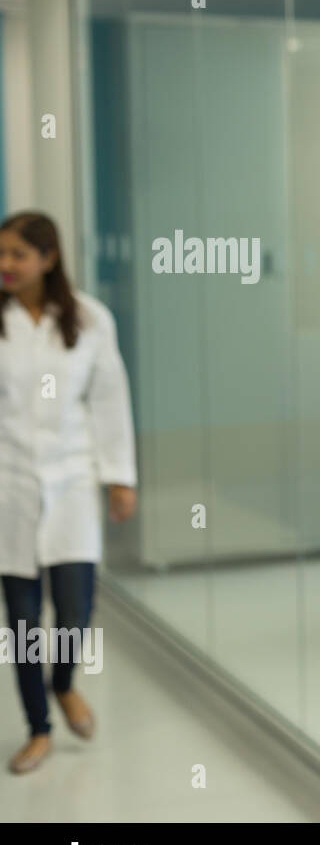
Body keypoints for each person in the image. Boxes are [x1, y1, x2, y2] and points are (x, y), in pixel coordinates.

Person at [0, 210, 138, 775]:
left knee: (76, 607)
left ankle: (65, 683)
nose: (6, 265)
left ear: (48, 258)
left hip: (74, 479)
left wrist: (120, 477)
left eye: (18, 255)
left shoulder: (88, 319)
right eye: (1, 254)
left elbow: (109, 400)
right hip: (9, 482)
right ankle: (38, 729)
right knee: (25, 621)